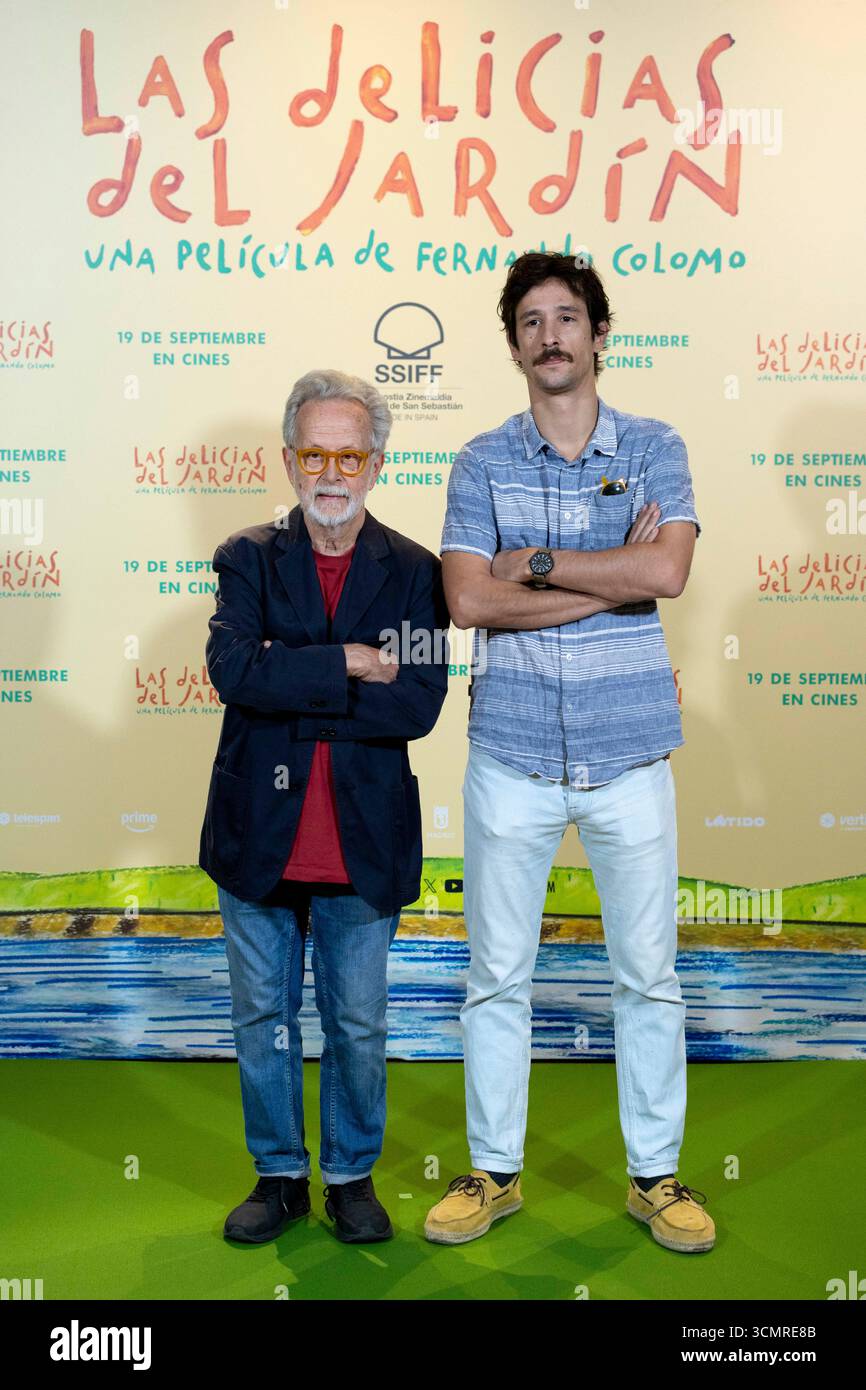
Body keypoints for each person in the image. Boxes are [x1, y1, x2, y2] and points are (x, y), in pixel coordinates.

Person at [424, 251, 714, 1254]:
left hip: (629, 754)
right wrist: (610, 580)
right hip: (508, 755)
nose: (549, 334)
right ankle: (492, 1173)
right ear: (513, 344)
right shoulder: (478, 462)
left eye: (567, 317)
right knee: (496, 975)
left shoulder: (656, 443)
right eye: (530, 321)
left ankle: (656, 1177)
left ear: (597, 334)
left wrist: (540, 565)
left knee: (648, 976)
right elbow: (466, 599)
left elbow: (667, 569)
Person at [199, 368, 449, 1245]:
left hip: (362, 839)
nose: (331, 471)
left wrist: (292, 669)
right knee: (261, 1019)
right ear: (288, 459)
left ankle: (349, 1175)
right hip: (257, 836)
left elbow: (417, 702)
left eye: (350, 453)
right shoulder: (246, 557)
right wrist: (348, 660)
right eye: (315, 452)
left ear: (376, 464)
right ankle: (279, 1176)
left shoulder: (417, 572)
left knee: (357, 1022)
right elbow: (234, 672)